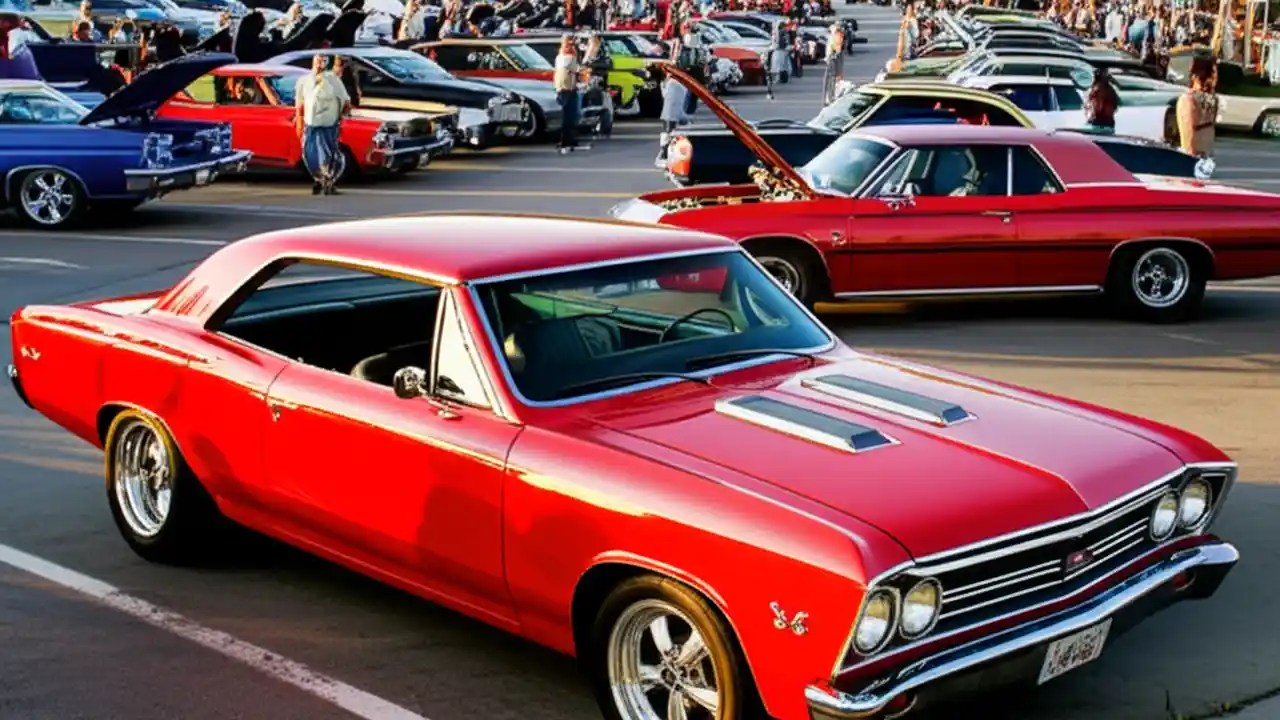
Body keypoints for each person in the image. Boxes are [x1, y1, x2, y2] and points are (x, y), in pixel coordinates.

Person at [295, 54, 350, 195]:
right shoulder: (304, 81)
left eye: (322, 61)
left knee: (330, 155)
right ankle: (319, 180)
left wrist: (341, 116)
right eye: (317, 61)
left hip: (329, 124)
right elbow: (299, 106)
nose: (319, 64)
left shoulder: (333, 80)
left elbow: (345, 101)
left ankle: (329, 181)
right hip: (311, 124)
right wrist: (299, 125)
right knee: (309, 155)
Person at [1177, 54, 1218, 159]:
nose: (1215, 79)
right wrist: (1191, 157)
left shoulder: (1212, 99)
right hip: (1193, 157)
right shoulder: (1188, 100)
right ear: (1198, 77)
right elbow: (1188, 133)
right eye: (1212, 74)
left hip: (1207, 155)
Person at [552, 34, 586, 153]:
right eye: (571, 42)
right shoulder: (567, 57)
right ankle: (565, 140)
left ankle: (569, 139)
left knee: (570, 116)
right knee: (569, 116)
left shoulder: (561, 56)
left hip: (567, 88)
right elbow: (576, 69)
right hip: (566, 89)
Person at [822, 21, 843, 104]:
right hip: (833, 58)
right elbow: (837, 48)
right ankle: (831, 97)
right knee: (833, 78)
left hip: (831, 57)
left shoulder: (832, 36)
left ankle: (829, 97)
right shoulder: (837, 35)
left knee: (831, 78)